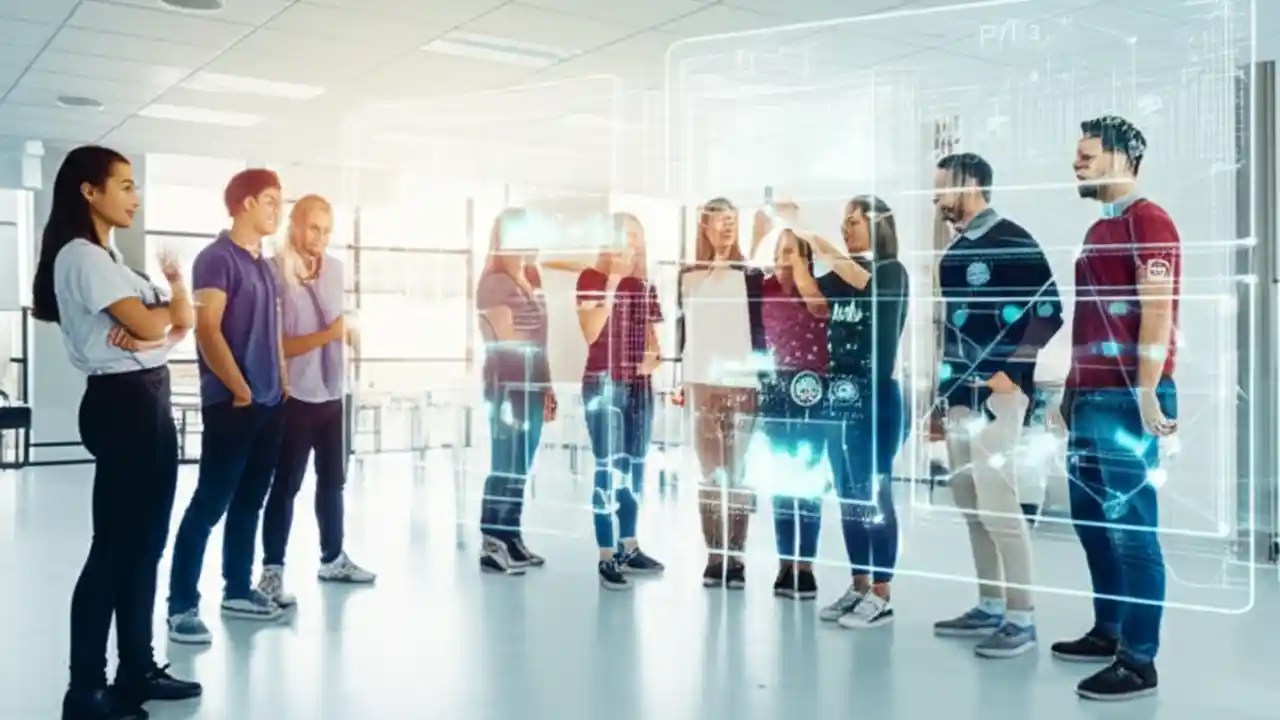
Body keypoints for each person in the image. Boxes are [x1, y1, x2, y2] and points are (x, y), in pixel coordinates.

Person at [32, 145, 201, 720]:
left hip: (149, 399)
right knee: (113, 551)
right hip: (124, 405)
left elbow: (181, 322)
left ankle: (136, 670)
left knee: (146, 547)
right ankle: (85, 692)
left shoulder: (114, 259)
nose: (135, 195)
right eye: (125, 185)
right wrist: (163, 320)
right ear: (89, 191)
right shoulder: (81, 257)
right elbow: (163, 321)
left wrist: (166, 314)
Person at [1054, 116, 1179, 701]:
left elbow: (1157, 311)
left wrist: (1149, 388)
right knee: (1091, 519)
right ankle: (1109, 631)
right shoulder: (1098, 230)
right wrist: (1070, 390)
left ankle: (1139, 660)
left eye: (1087, 155)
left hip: (1128, 398)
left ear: (1123, 159)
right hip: (1090, 396)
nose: (1076, 163)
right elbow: (1091, 322)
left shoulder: (1147, 221)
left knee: (1132, 532)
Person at [929, 153, 1063, 658]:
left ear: (971, 184)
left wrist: (1013, 371)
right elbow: (952, 332)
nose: (937, 196)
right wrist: (942, 402)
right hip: (960, 397)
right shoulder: (953, 253)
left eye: (942, 187)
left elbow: (1049, 312)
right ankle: (989, 604)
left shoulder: (1014, 240)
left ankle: (1021, 618)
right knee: (971, 506)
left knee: (1000, 506)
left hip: (1000, 397)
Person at [166, 169, 289, 644]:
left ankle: (237, 589)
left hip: (271, 402)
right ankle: (180, 607)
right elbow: (208, 329)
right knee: (209, 503)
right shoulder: (216, 259)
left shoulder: (266, 265)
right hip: (232, 403)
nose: (278, 211)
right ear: (244, 203)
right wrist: (240, 390)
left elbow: (273, 331)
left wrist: (281, 382)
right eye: (271, 202)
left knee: (250, 503)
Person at [256, 195, 374, 610]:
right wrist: (331, 334)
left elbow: (342, 326)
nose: (319, 238)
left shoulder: (336, 269)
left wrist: (351, 335)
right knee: (285, 486)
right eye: (312, 228)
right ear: (294, 225)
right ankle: (272, 572)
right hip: (295, 397)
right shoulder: (274, 272)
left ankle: (333, 558)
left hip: (333, 392)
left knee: (334, 481)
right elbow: (278, 347)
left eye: (326, 230)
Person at [798, 195, 909, 629]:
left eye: (854, 222)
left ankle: (882, 593)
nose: (846, 229)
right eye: (843, 222)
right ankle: (859, 583)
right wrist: (796, 249)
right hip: (837, 396)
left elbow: (862, 281)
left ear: (878, 224)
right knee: (847, 493)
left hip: (877, 396)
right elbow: (811, 297)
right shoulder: (843, 276)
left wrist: (825, 247)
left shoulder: (889, 272)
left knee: (873, 493)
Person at [675, 197, 766, 589]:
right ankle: (716, 554)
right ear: (705, 227)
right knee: (711, 474)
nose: (727, 227)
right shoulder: (690, 275)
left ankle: (737, 553)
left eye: (733, 220)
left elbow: (762, 326)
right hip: (702, 385)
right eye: (720, 221)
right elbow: (684, 330)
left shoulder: (751, 273)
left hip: (744, 385)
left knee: (739, 473)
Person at [576, 212, 665, 590]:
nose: (634, 245)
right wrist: (614, 281)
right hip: (604, 384)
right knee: (608, 468)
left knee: (635, 469)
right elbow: (591, 332)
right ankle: (606, 554)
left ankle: (629, 546)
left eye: (638, 238)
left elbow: (655, 346)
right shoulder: (591, 279)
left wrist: (653, 359)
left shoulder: (645, 284)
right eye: (627, 237)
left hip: (639, 388)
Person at [475, 208, 557, 574]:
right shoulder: (493, 282)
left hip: (533, 384)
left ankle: (512, 537)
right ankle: (492, 544)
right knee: (504, 463)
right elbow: (508, 341)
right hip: (506, 386)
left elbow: (540, 338)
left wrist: (547, 385)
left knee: (521, 465)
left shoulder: (531, 275)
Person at [756, 230, 829, 599]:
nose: (781, 257)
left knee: (809, 479)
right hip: (775, 389)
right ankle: (786, 562)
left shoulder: (817, 289)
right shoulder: (764, 287)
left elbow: (820, 310)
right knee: (782, 481)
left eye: (789, 252)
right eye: (777, 251)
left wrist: (801, 271)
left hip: (812, 389)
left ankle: (806, 566)